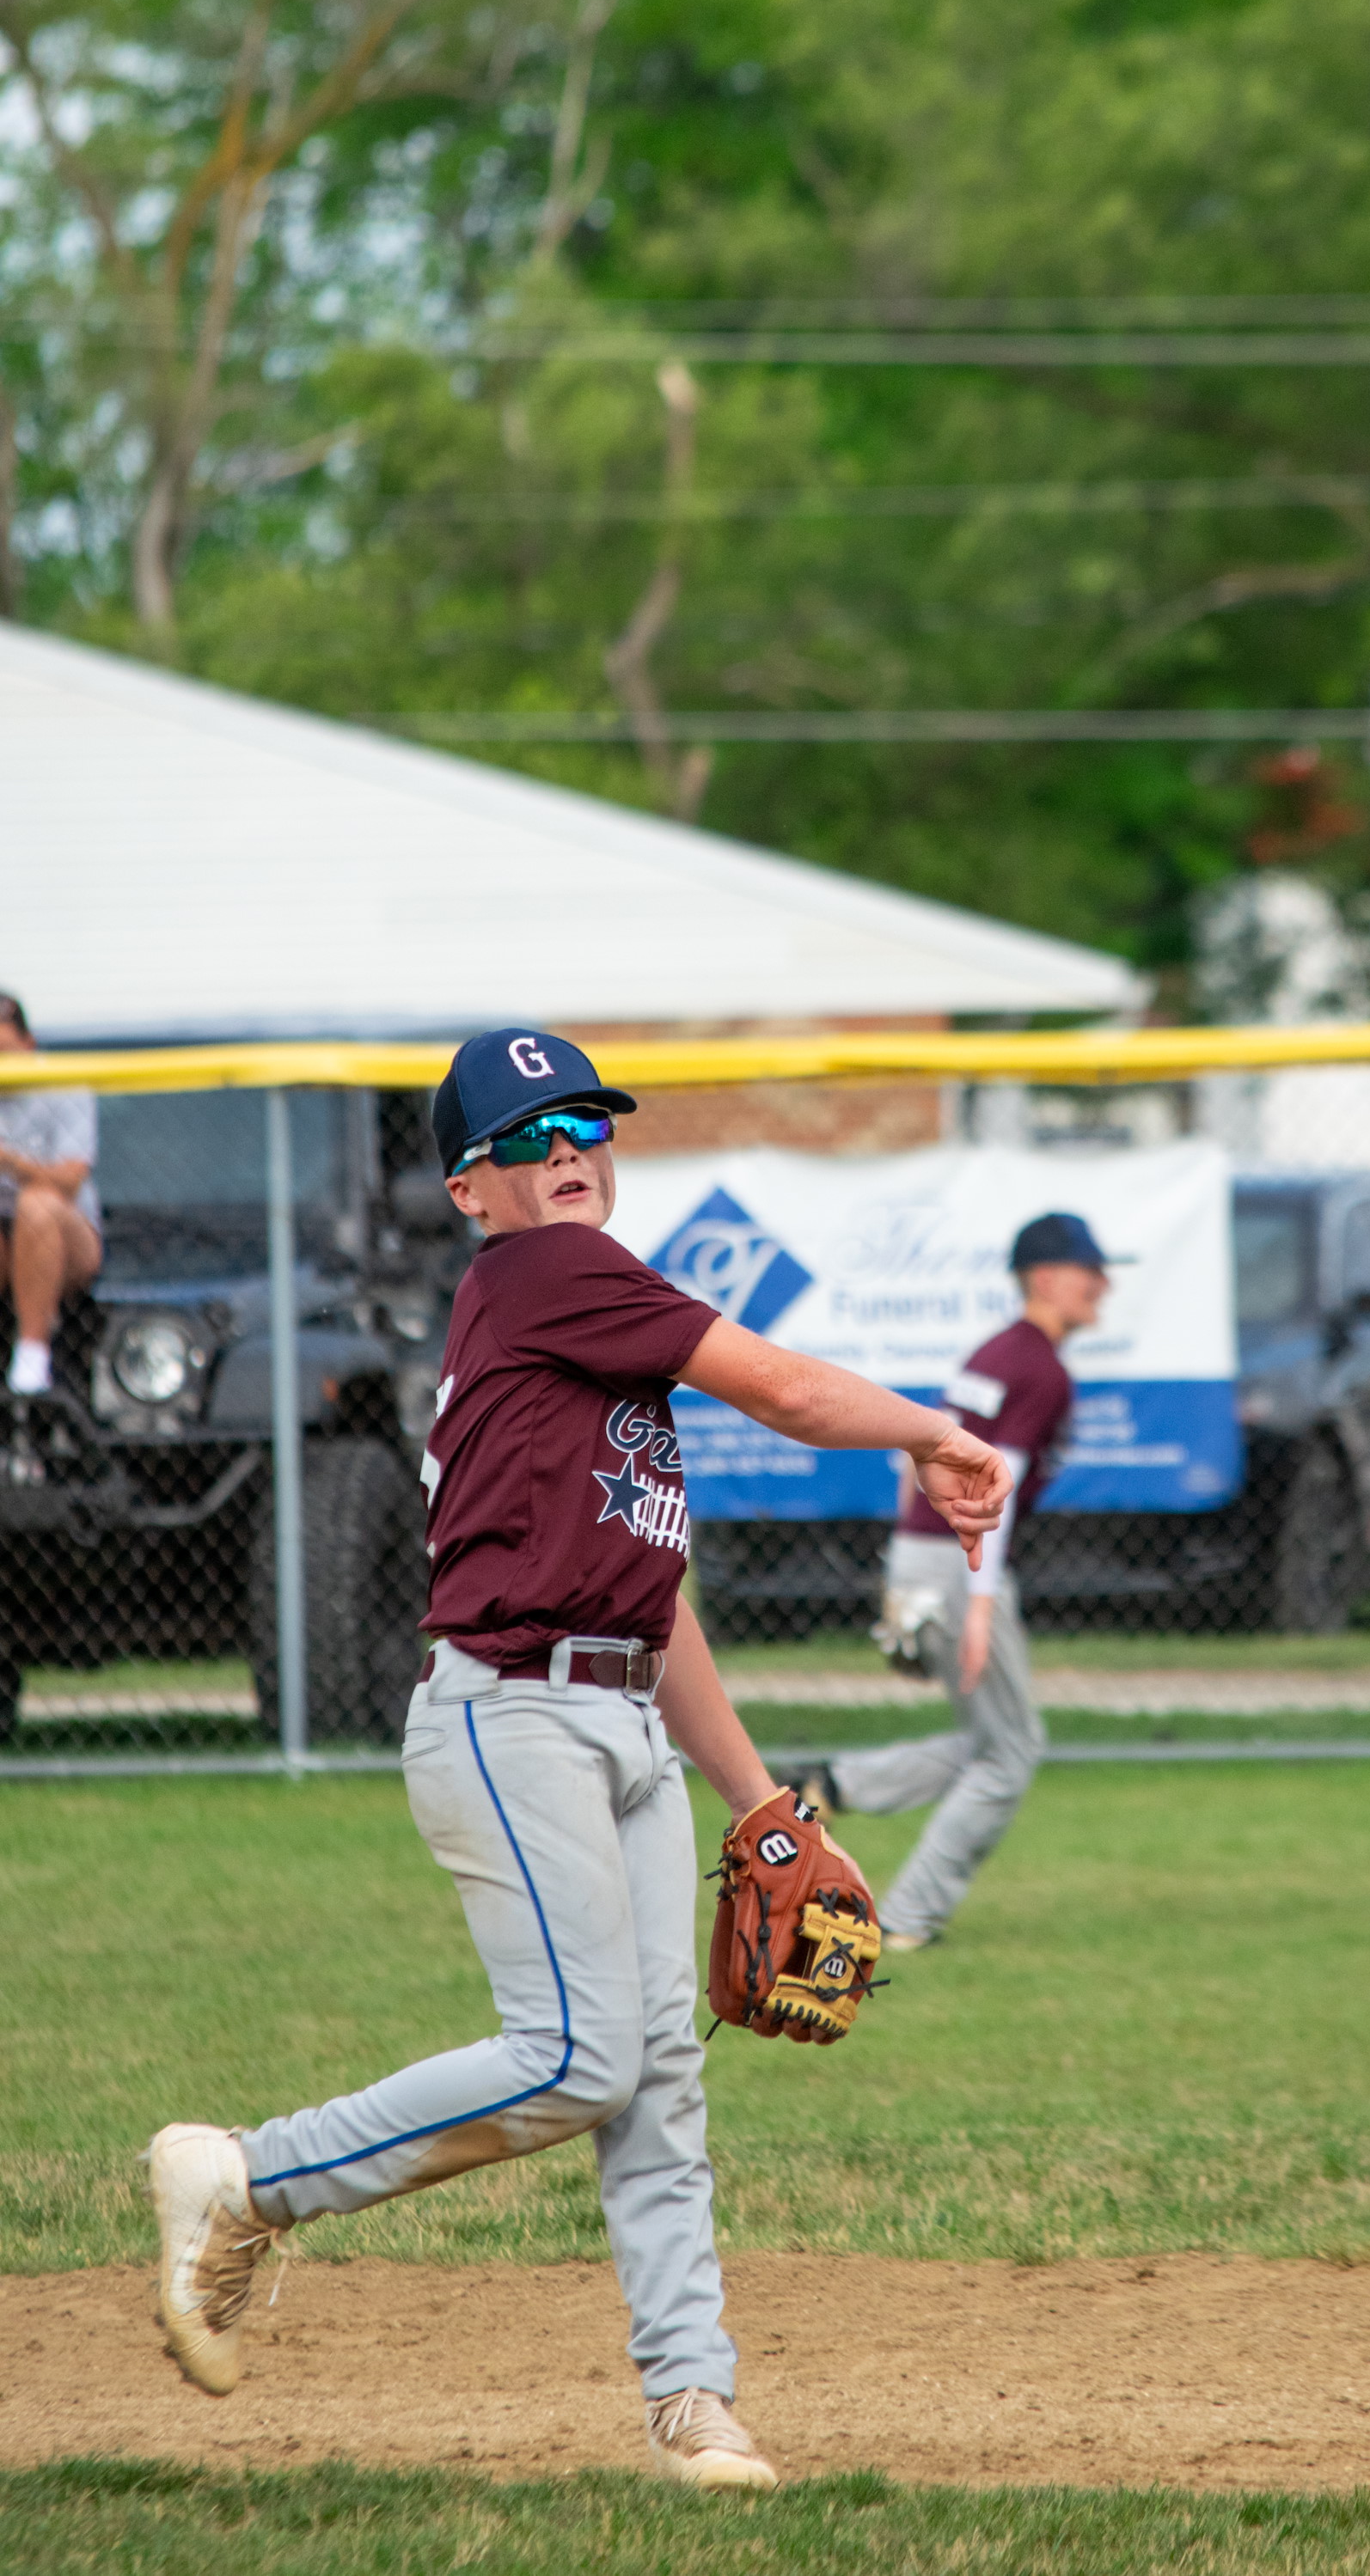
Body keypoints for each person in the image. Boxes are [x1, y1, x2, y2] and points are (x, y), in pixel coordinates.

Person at [145, 1029, 1010, 2494]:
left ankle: (694, 2399)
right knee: (578, 2053)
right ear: (468, 1188)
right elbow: (788, 1388)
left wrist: (764, 1800)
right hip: (509, 1714)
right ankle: (247, 2173)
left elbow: (652, 1607)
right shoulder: (549, 1274)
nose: (569, 1153)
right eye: (531, 1134)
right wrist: (934, 1434)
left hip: (610, 1716)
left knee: (663, 2070)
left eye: (587, 1126)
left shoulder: (588, 1342)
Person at [798, 1212, 1111, 1952]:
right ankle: (908, 1915)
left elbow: (920, 1459)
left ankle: (836, 1785)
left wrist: (903, 1571)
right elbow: (992, 1491)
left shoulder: (998, 1352)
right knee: (1010, 1752)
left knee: (990, 1738)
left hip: (922, 1552)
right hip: (963, 1561)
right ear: (1044, 1277)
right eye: (1086, 1269)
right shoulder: (1040, 1369)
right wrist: (979, 1606)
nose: (1102, 1284)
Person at [0, 992, 101, 1398]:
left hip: (67, 1235)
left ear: (29, 1045)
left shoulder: (64, 1083)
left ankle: (32, 1355)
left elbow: (69, 1182)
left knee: (37, 1204)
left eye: (5, 1049)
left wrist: (10, 1161)